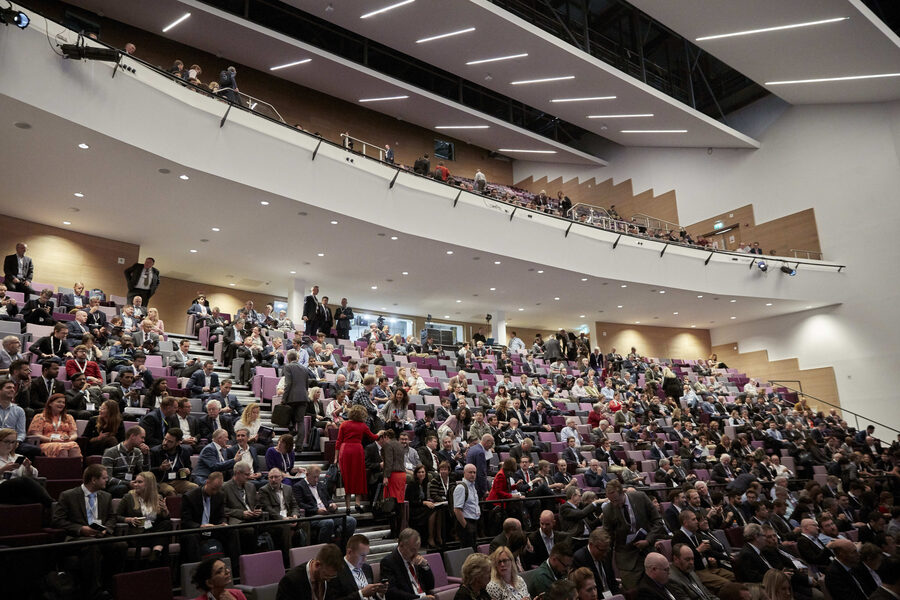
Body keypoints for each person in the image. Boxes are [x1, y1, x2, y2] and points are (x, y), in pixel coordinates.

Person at [52, 464, 127, 598]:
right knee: (92, 545)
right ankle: (94, 592)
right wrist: (81, 529)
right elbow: (58, 520)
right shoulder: (68, 495)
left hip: (100, 535)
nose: (107, 480)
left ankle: (111, 586)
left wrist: (106, 530)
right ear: (93, 480)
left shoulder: (106, 496)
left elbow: (112, 517)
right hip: (77, 539)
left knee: (120, 545)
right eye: (104, 478)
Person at [602, 479, 665, 589]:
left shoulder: (640, 497)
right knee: (633, 593)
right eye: (611, 501)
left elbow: (658, 521)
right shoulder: (608, 509)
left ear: (623, 493)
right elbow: (608, 537)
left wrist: (648, 540)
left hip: (648, 552)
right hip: (626, 559)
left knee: (657, 589)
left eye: (616, 500)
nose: (614, 504)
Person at [115, 470, 172, 563]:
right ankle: (157, 552)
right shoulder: (128, 497)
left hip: (152, 532)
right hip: (137, 533)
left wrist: (165, 511)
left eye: (140, 482)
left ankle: (156, 553)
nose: (136, 484)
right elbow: (115, 516)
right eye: (135, 482)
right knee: (163, 540)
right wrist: (129, 519)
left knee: (167, 523)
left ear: (149, 484)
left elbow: (163, 520)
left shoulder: (158, 498)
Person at [294, 464, 357, 544]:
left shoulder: (321, 485)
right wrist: (316, 510)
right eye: (314, 477)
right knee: (328, 522)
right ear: (307, 475)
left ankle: (342, 546)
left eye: (318, 477)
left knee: (351, 521)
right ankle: (323, 549)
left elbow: (328, 499)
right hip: (312, 516)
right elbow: (300, 504)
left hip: (327, 513)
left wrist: (332, 504)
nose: (316, 480)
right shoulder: (299, 486)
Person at [336, 404, 379, 514]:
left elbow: (338, 442)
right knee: (358, 476)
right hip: (357, 450)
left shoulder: (344, 424)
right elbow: (373, 437)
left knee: (347, 477)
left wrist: (335, 458)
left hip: (345, 450)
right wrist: (380, 433)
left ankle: (347, 507)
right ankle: (357, 503)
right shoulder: (363, 425)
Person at [258, 468, 306, 567]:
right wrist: (283, 519)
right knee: (285, 527)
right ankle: (287, 562)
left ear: (281, 478)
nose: (273, 480)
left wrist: (295, 515)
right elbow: (268, 509)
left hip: (288, 517)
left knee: (306, 522)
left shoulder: (288, 488)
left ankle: (304, 558)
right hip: (274, 522)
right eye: (271, 477)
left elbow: (294, 505)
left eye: (276, 477)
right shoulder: (264, 490)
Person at [0, 427, 52, 506]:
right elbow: (25, 480)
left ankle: (51, 511)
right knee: (24, 480)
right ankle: (52, 503)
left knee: (31, 500)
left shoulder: (17, 457)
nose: (10, 445)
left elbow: (33, 475)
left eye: (13, 442)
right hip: (2, 489)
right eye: (6, 441)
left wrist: (28, 468)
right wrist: (2, 470)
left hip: (17, 492)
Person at [380, 528, 436, 600]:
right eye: (412, 550)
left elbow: (431, 586)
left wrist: (425, 566)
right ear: (401, 545)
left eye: (417, 549)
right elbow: (391, 592)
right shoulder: (389, 562)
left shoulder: (416, 559)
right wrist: (420, 598)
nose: (416, 553)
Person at [328, 533, 388, 600]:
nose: (365, 560)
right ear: (349, 552)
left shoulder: (367, 568)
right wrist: (361, 594)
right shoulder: (336, 571)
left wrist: (380, 594)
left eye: (366, 555)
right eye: (362, 555)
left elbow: (372, 596)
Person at [276, 543, 344, 600]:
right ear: (317, 565)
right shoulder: (290, 581)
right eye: (326, 575)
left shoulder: (331, 576)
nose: (328, 580)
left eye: (332, 576)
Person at [27, 392, 82, 457]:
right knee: (62, 449)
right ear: (50, 403)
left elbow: (74, 434)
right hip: (47, 442)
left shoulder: (69, 417)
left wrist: (69, 438)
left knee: (74, 446)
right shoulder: (40, 417)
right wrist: (52, 440)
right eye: (59, 402)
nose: (61, 404)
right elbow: (36, 434)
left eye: (63, 402)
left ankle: (74, 467)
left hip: (65, 441)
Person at [283, 350, 316, 451]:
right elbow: (306, 385)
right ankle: (299, 446)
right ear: (297, 358)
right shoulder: (304, 368)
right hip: (303, 398)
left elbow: (288, 384)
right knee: (300, 421)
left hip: (292, 398)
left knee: (288, 420)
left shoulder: (288, 367)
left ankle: (290, 440)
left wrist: (284, 398)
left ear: (288, 358)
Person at [572, 528, 619, 596]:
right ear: (591, 545)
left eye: (607, 550)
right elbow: (584, 590)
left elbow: (612, 581)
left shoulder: (606, 553)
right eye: (602, 550)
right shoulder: (580, 558)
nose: (605, 554)